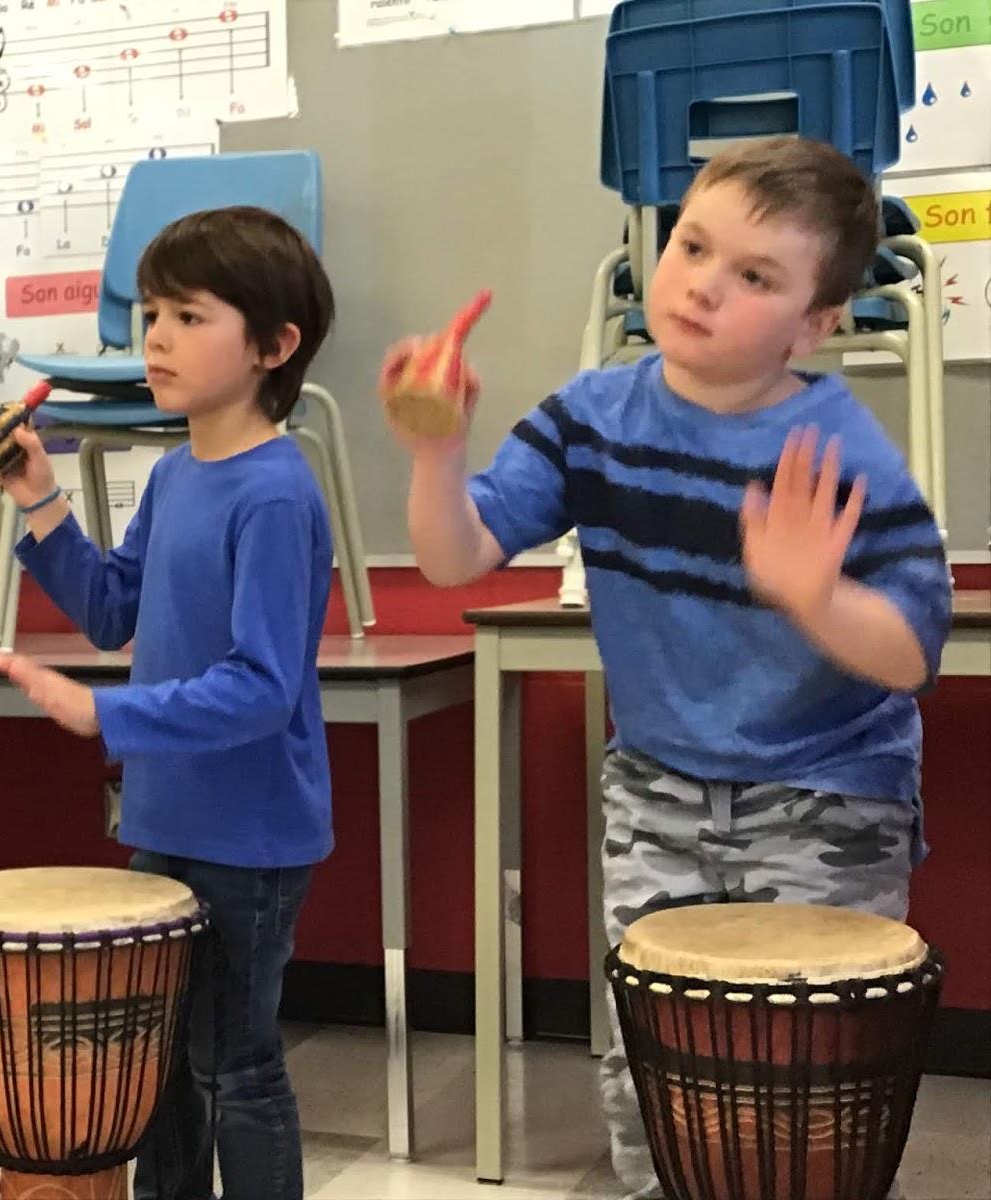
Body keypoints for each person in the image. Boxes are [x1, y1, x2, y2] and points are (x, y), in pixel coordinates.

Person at [382, 136, 952, 1199]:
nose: (700, 284)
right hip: (655, 788)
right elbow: (457, 555)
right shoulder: (592, 417)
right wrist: (434, 455)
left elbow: (915, 651)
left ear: (814, 324)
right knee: (650, 1060)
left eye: (754, 276)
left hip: (824, 791)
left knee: (805, 1078)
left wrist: (818, 597)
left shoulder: (840, 447)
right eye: (692, 244)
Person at [0, 205, 336, 1200]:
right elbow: (111, 611)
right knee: (163, 1076)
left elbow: (263, 687)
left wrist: (111, 715)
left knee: (234, 1065)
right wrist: (40, 501)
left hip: (251, 837)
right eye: (150, 315)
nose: (155, 339)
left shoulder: (275, 493)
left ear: (273, 345)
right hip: (168, 817)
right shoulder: (179, 473)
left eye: (188, 316)